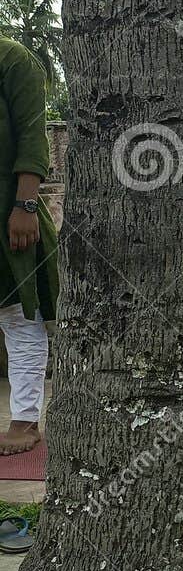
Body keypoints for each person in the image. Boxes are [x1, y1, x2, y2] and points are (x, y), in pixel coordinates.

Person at [0, 34, 59, 455]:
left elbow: (32, 135)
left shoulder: (13, 59)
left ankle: (25, 419)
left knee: (19, 316)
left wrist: (25, 204)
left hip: (10, 210)